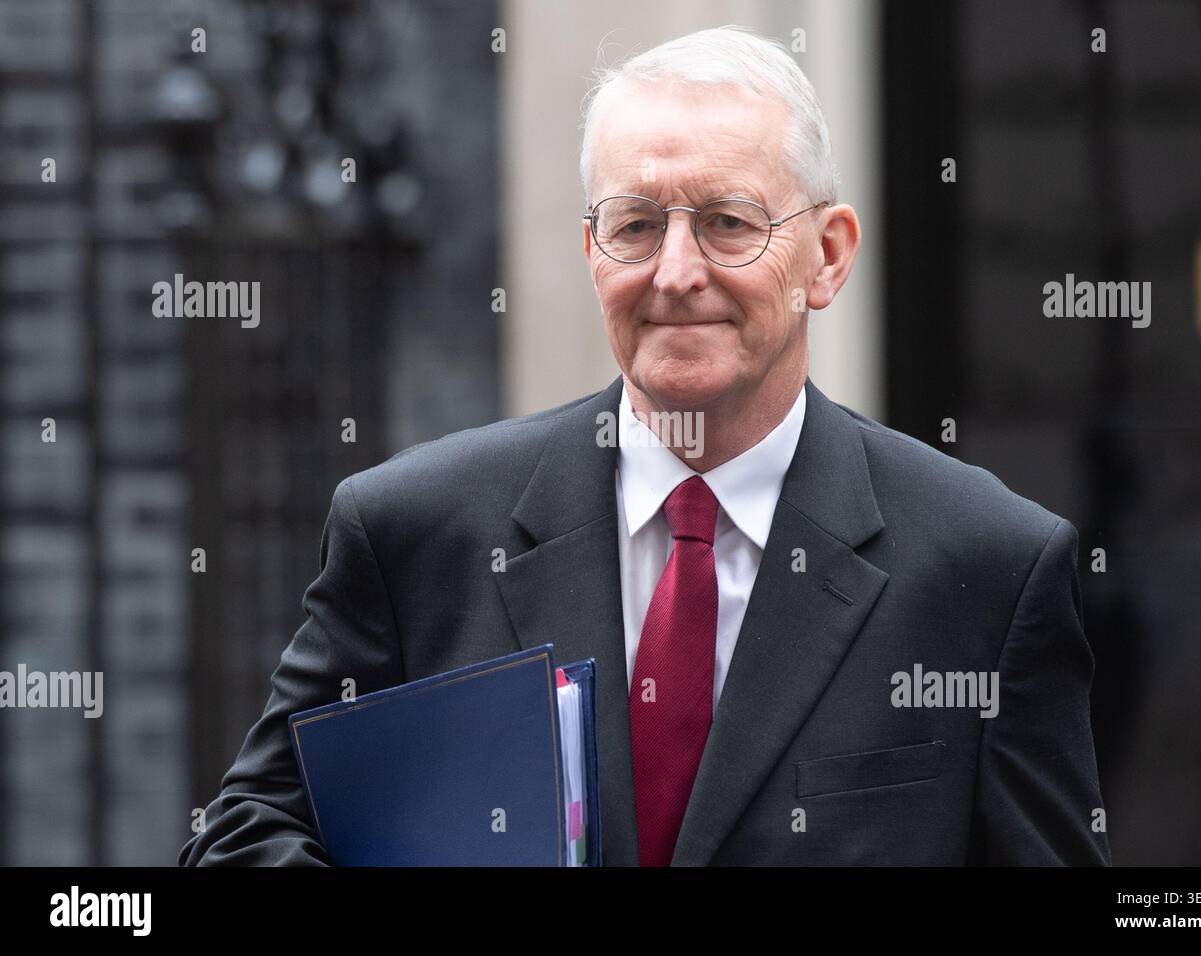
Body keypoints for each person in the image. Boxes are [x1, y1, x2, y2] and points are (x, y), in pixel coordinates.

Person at [180, 25, 1109, 866]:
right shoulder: (414, 532)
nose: (675, 272)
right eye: (634, 225)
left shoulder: (989, 568)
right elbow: (243, 835)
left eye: (727, 223)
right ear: (592, 254)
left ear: (827, 256)